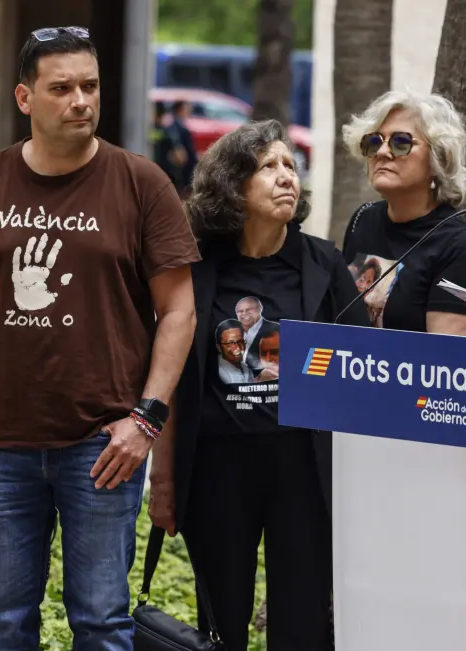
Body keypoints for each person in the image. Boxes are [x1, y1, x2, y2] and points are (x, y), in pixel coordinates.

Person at [0, 26, 199, 650]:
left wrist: (145, 419)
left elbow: (178, 311)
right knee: (1, 623)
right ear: (25, 99)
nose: (81, 101)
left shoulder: (142, 184)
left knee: (100, 622)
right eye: (62, 88)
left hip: (104, 445)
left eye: (90, 86)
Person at [147, 119, 369, 651]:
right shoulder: (198, 265)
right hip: (219, 471)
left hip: (304, 472)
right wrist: (164, 479)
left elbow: (362, 364)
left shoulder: (324, 263)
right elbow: (174, 379)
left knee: (302, 621)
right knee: (223, 620)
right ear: (232, 184)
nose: (286, 177)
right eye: (268, 166)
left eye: (290, 166)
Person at [339, 89, 466, 335]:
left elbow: (450, 365)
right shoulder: (363, 219)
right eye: (373, 142)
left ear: (438, 158)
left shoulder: (462, 247)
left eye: (400, 142)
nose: (381, 153)